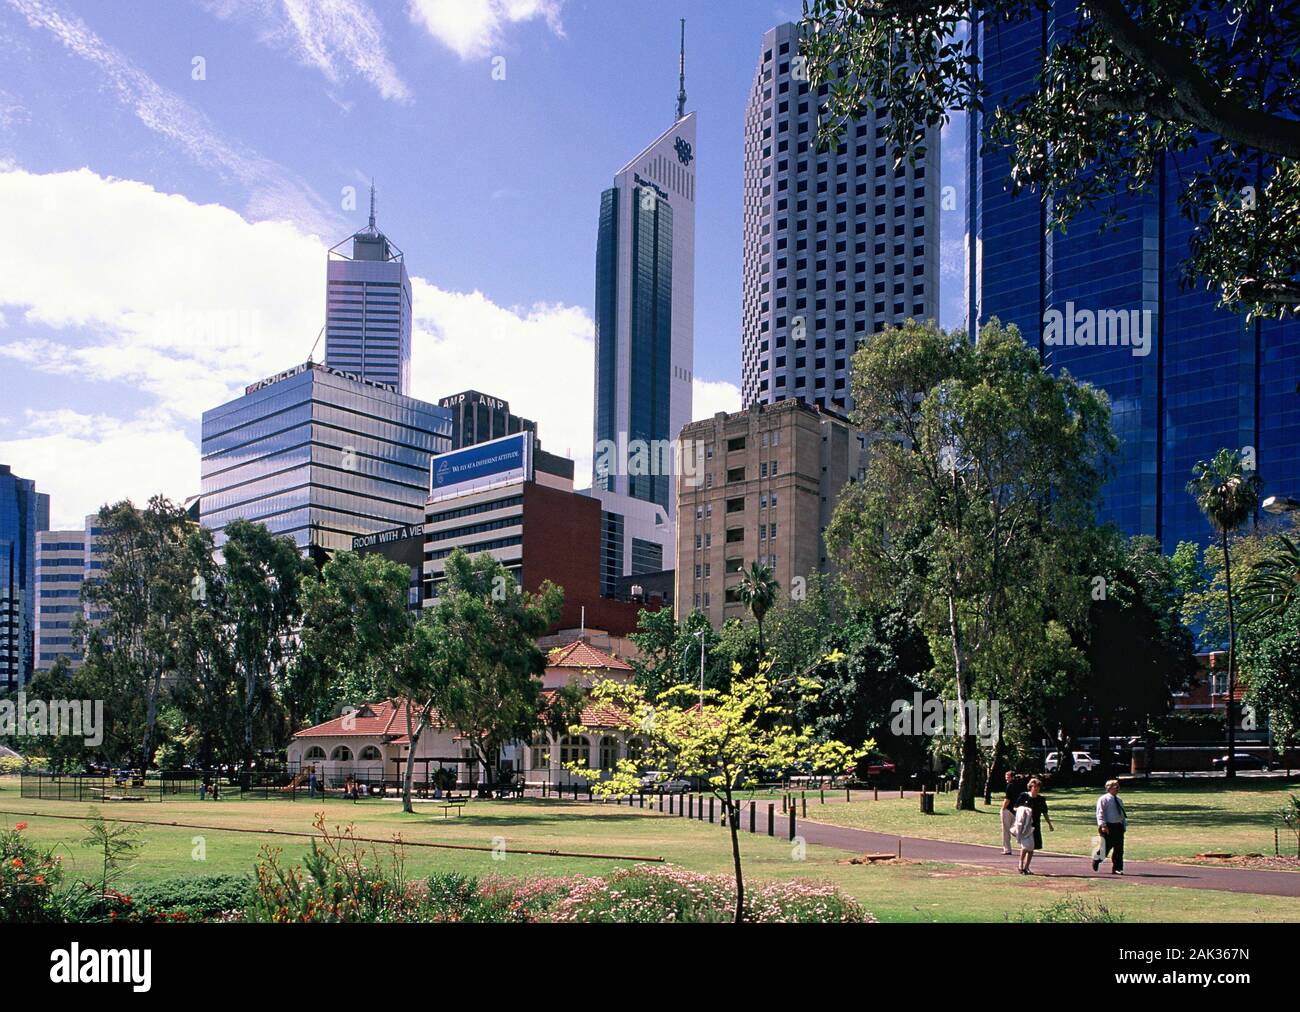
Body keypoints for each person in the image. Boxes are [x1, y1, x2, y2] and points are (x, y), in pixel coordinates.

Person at [1012, 777, 1054, 874]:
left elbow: (1045, 812)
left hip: (1035, 824)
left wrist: (1049, 824)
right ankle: (1020, 864)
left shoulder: (1041, 799)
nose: (1036, 789)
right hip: (1025, 825)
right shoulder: (1024, 796)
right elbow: (1015, 808)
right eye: (1034, 787)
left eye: (1038, 787)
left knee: (1032, 847)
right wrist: (1023, 810)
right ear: (1030, 787)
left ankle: (1027, 867)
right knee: (1025, 846)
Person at [1094, 779, 1127, 875]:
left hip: (1118, 826)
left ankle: (1117, 868)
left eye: (1118, 787)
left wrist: (1123, 825)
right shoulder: (1103, 799)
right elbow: (1100, 813)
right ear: (1109, 788)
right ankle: (1097, 859)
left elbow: (1122, 814)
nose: (1118, 788)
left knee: (1119, 849)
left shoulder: (1119, 799)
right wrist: (1103, 825)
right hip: (1108, 826)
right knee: (1106, 847)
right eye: (1116, 787)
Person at [1000, 769, 1028, 855]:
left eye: (1008, 777)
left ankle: (1007, 849)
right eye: (1006, 777)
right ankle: (1025, 843)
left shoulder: (1010, 786)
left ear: (1012, 777)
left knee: (1006, 830)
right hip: (1018, 810)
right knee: (1016, 827)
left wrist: (1002, 808)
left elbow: (1007, 799)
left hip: (1008, 810)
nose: (1006, 778)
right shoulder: (1021, 785)